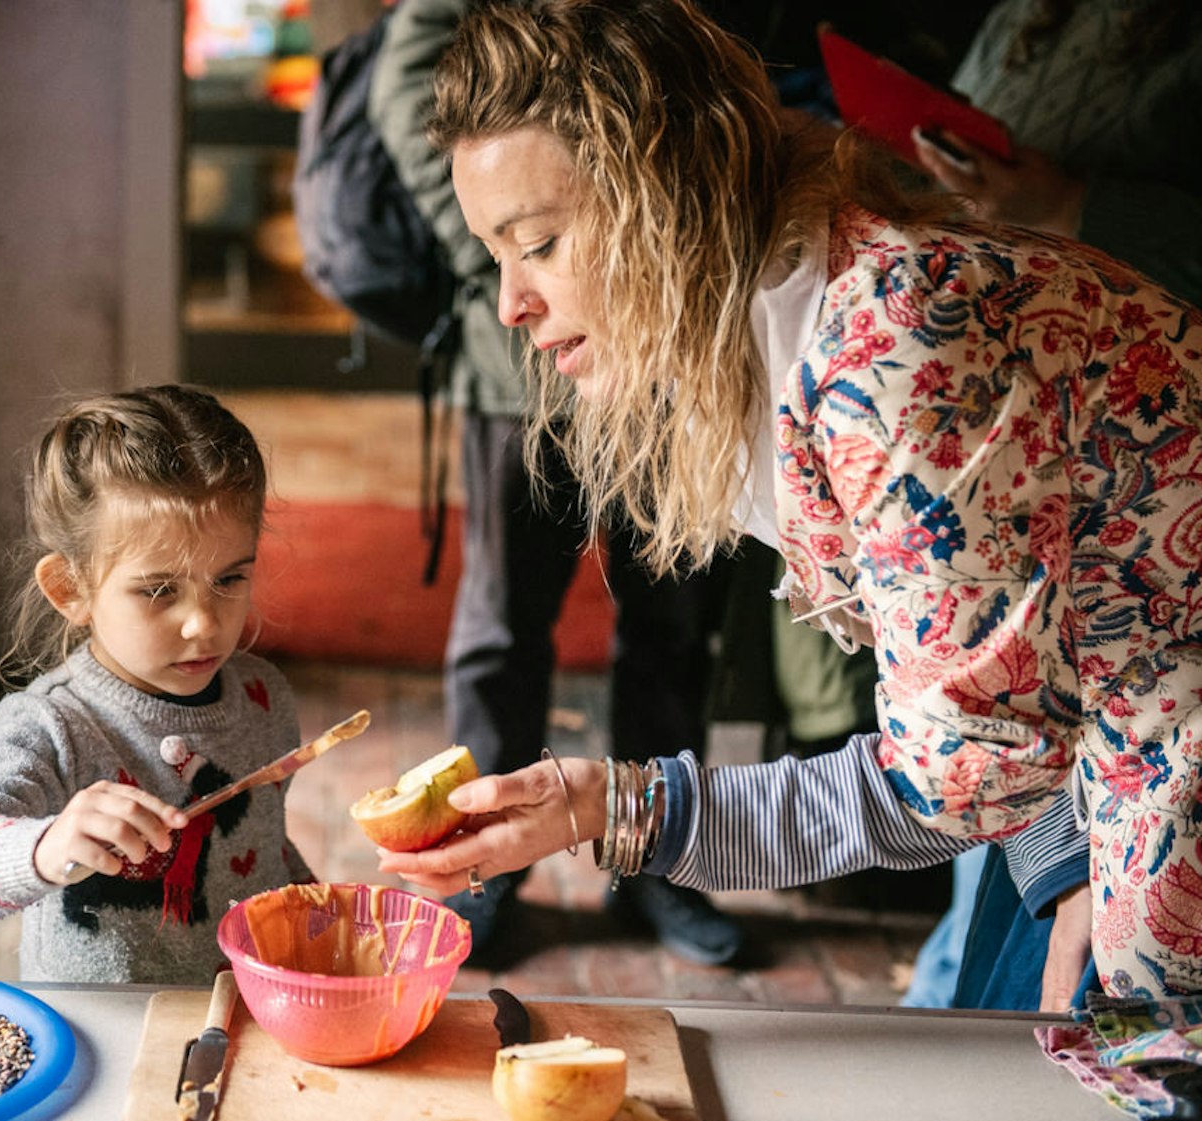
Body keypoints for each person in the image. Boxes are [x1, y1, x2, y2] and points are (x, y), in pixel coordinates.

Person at [374, 0, 1202, 1003]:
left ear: (662, 197)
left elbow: (952, 775)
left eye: (540, 242)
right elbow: (993, 709)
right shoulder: (778, 325)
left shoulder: (890, 346)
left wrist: (616, 805)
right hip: (1095, 761)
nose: (511, 302)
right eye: (496, 254)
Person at [369, 0, 740, 966]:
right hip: (515, 382)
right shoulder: (510, 282)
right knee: (502, 622)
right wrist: (508, 244)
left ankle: (658, 858)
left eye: (516, 253)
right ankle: (483, 864)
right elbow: (410, 81)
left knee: (671, 622)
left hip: (663, 351)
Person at [898, 0, 1202, 1008]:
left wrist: (1069, 201)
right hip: (1035, 471)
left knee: (1114, 992)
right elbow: (959, 768)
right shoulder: (1035, 13)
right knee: (1010, 916)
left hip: (1143, 503)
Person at [0, 384, 314, 983]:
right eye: (159, 591)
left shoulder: (263, 697)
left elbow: (257, 852)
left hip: (240, 1016)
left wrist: (317, 912)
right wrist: (48, 846)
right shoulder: (51, 724)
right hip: (102, 1039)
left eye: (229, 579)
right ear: (70, 590)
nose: (203, 623)